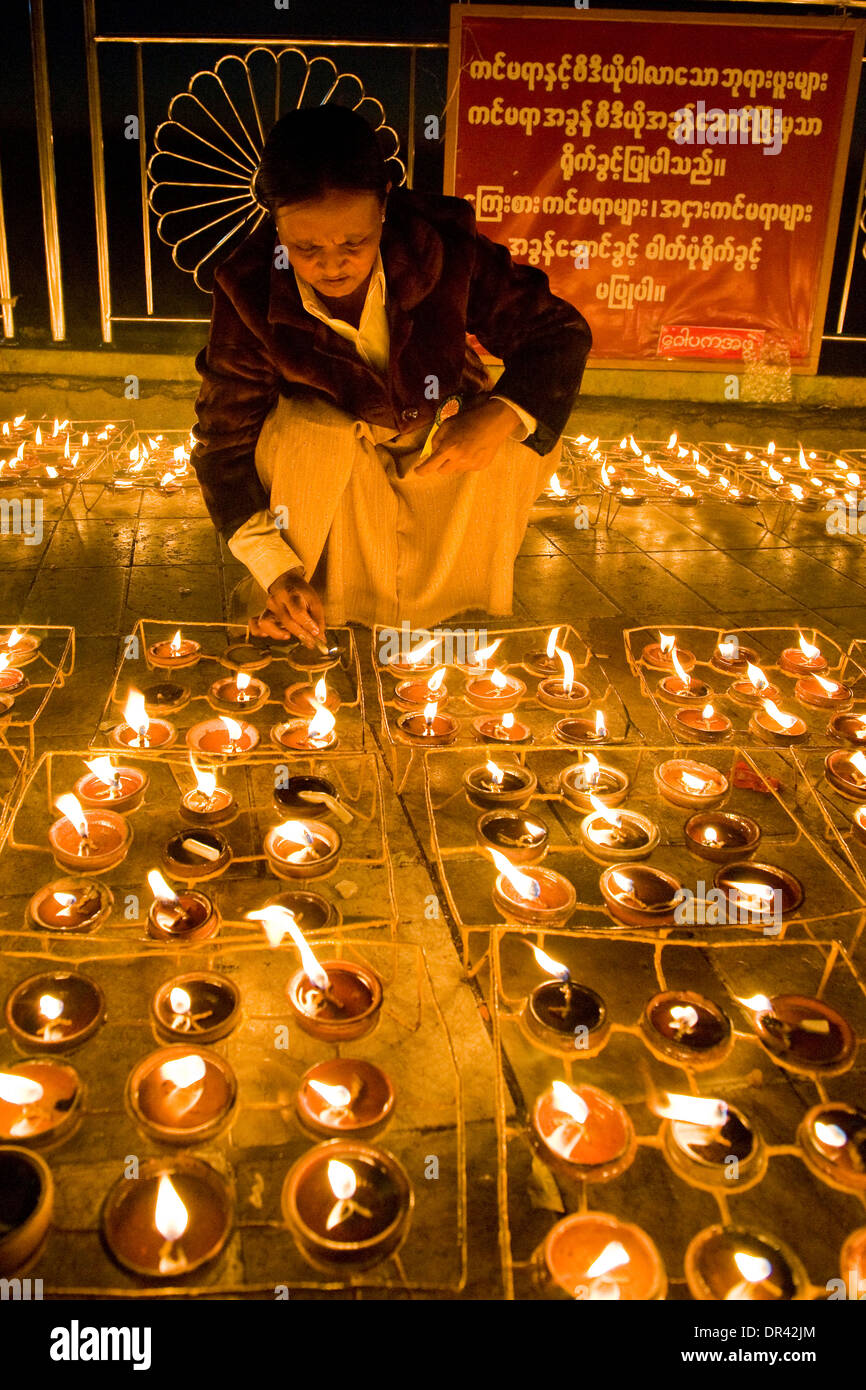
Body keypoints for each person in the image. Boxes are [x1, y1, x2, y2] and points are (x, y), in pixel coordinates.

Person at [191, 105, 592, 647]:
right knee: (310, 439)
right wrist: (274, 566)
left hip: (437, 433)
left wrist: (499, 416)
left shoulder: (440, 242)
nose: (332, 265)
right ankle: (307, 596)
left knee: (521, 439)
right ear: (277, 222)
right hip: (335, 462)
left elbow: (557, 330)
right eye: (306, 248)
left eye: (353, 243)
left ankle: (449, 599)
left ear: (383, 209)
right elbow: (223, 442)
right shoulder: (248, 287)